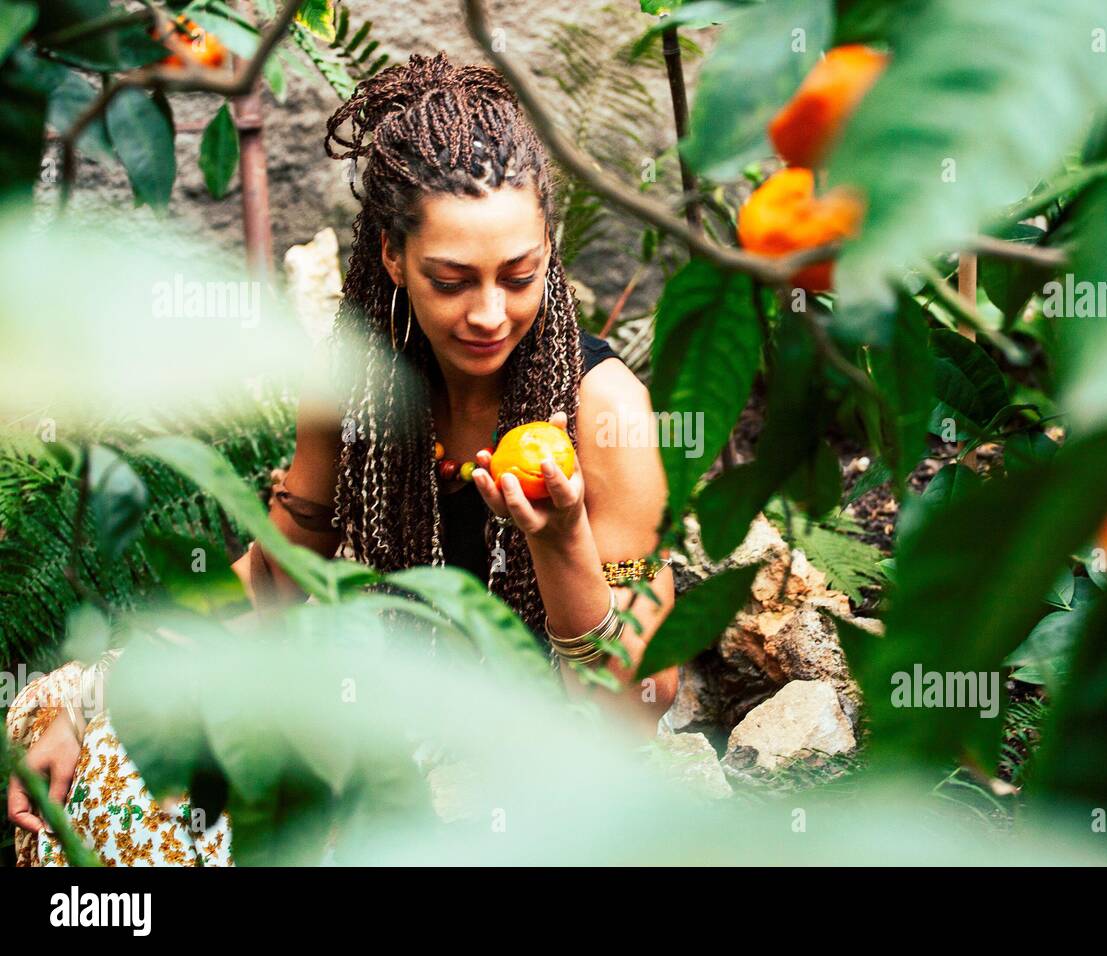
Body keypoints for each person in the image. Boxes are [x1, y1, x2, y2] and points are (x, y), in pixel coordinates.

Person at [7, 51, 678, 866]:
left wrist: (561, 539)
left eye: (520, 274)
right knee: (105, 783)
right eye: (451, 280)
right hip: (388, 729)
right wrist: (93, 695)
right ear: (394, 258)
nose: (490, 314)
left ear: (549, 252)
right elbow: (279, 577)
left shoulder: (607, 414)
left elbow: (641, 705)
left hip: (537, 784)